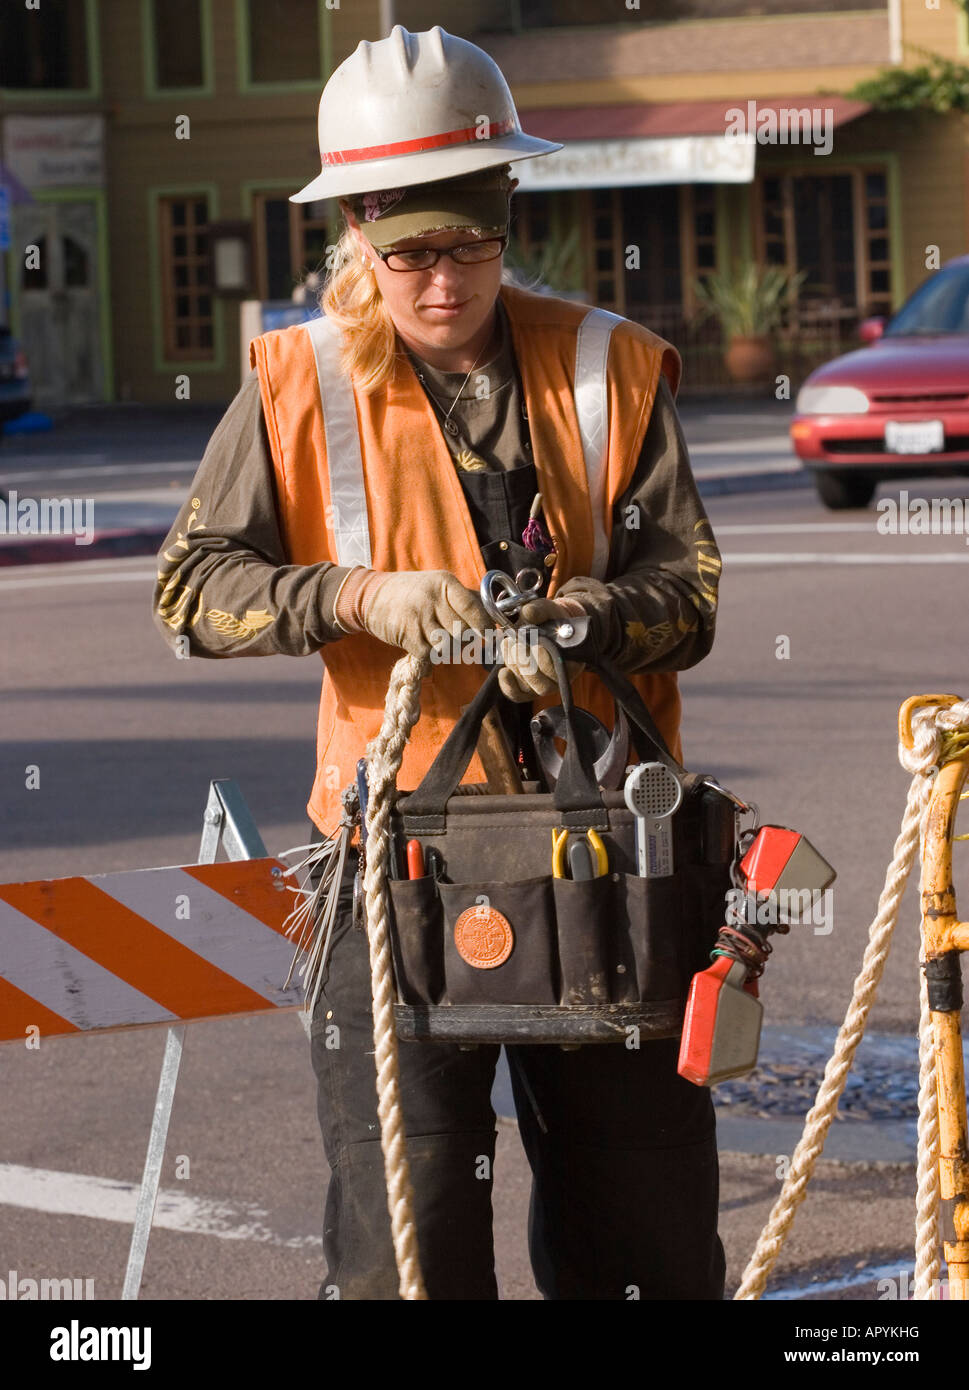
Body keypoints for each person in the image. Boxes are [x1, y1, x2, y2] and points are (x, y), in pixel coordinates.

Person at [153, 25, 724, 1301]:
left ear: (506, 211)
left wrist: (574, 625)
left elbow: (689, 592)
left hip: (606, 856)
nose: (443, 280)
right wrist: (356, 595)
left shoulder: (608, 367)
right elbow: (191, 590)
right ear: (355, 229)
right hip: (391, 865)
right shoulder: (299, 383)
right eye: (409, 250)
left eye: (468, 244)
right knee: (402, 1247)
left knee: (644, 1239)